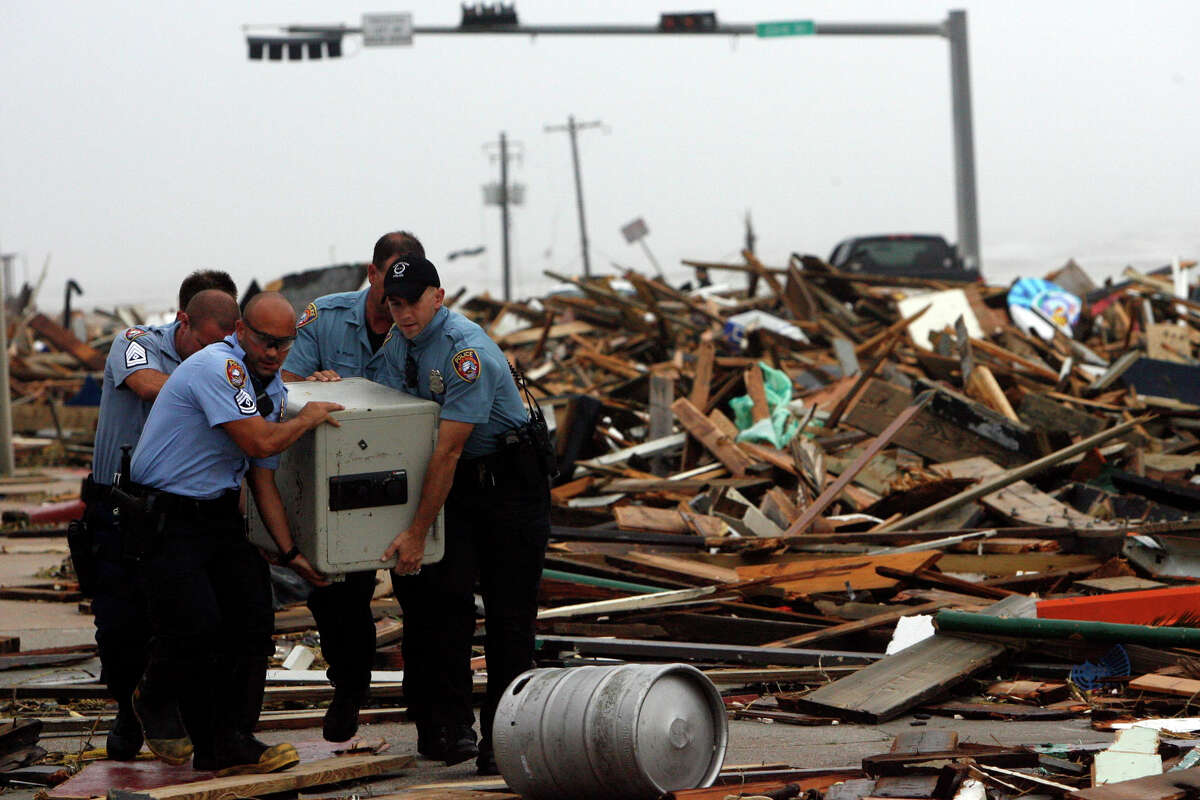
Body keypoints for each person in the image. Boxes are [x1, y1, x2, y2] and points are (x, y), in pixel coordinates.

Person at [127, 292, 342, 775]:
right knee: (197, 628)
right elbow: (259, 440)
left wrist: (288, 552)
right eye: (266, 341)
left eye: (285, 344)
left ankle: (236, 736)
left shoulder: (272, 390)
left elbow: (262, 477)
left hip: (220, 515)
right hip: (171, 515)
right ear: (241, 329)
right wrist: (306, 420)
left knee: (252, 620)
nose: (274, 353)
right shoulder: (216, 367)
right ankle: (183, 718)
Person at [377, 255, 552, 775]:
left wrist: (416, 531)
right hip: (457, 487)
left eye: (413, 302)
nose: (405, 313)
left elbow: (449, 450)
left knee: (509, 618)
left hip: (509, 485)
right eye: (395, 303)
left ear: (440, 295)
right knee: (443, 606)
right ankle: (450, 728)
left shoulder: (464, 353)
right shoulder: (399, 344)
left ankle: (504, 737)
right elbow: (386, 408)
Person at [74, 272, 238, 762]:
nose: (217, 348)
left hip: (180, 508)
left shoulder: (229, 361)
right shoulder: (136, 344)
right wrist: (208, 388)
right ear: (184, 320)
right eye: (210, 338)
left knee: (183, 619)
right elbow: (147, 386)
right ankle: (128, 707)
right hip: (120, 504)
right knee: (120, 623)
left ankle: (166, 707)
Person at [275, 231, 423, 741]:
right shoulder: (327, 316)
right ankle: (349, 686)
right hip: (338, 482)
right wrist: (312, 385)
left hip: (406, 480)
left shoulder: (423, 324)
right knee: (336, 595)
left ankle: (433, 716)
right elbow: (283, 390)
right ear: (372, 273)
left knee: (425, 598)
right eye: (390, 282)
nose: (398, 298)